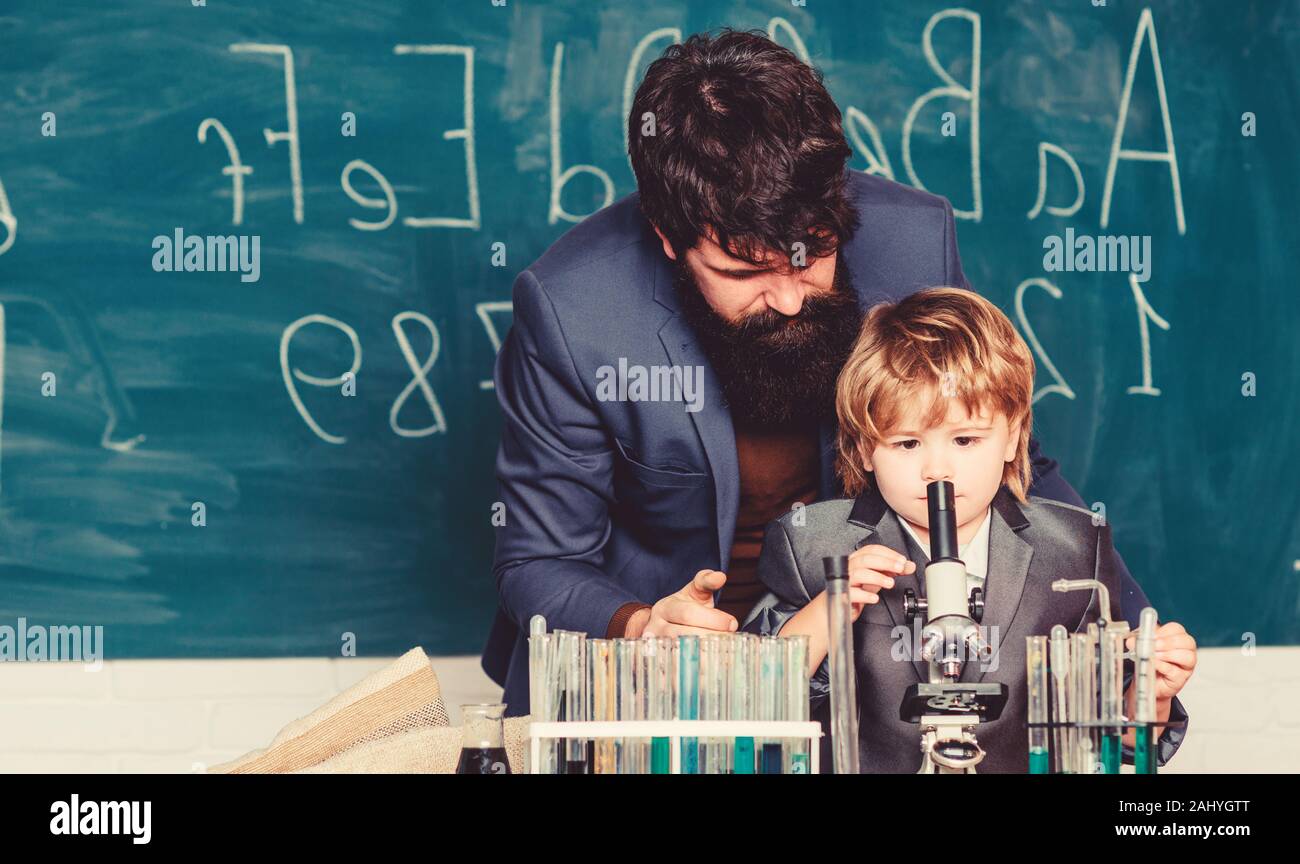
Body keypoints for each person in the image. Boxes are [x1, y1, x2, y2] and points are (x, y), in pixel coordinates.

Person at [480, 28, 1171, 719]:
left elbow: (1017, 463)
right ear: (668, 236)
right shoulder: (574, 310)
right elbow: (537, 561)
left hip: (862, 677)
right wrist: (643, 627)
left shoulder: (914, 241)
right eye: (745, 272)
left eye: (810, 257)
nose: (786, 298)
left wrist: (1133, 633)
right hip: (658, 689)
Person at [743, 286, 1195, 772]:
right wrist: (831, 605)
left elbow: (1121, 742)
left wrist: (1152, 690)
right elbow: (756, 704)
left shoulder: (1074, 547)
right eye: (907, 443)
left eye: (964, 439)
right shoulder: (811, 543)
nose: (937, 469)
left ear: (1013, 437)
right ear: (863, 448)